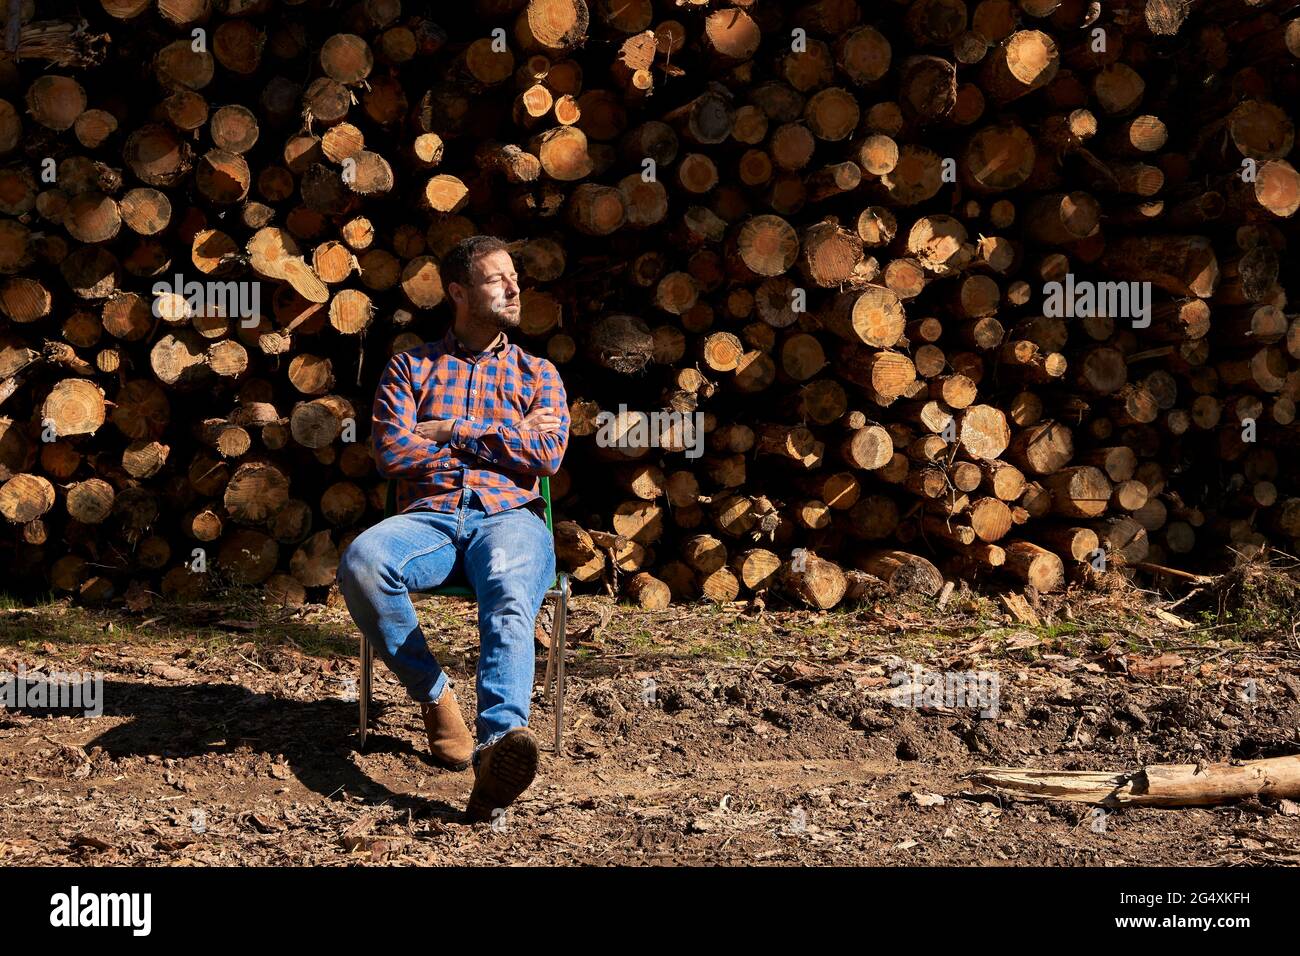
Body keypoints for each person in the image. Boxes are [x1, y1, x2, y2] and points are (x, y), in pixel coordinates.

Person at [336, 235, 569, 823]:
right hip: (431, 519)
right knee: (364, 562)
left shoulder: (539, 373)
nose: (515, 288)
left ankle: (497, 751)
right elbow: (392, 450)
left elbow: (546, 454)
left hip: (509, 520)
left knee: (509, 592)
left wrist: (449, 432)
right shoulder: (410, 366)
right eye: (498, 279)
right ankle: (438, 698)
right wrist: (502, 438)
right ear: (458, 292)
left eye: (515, 277)